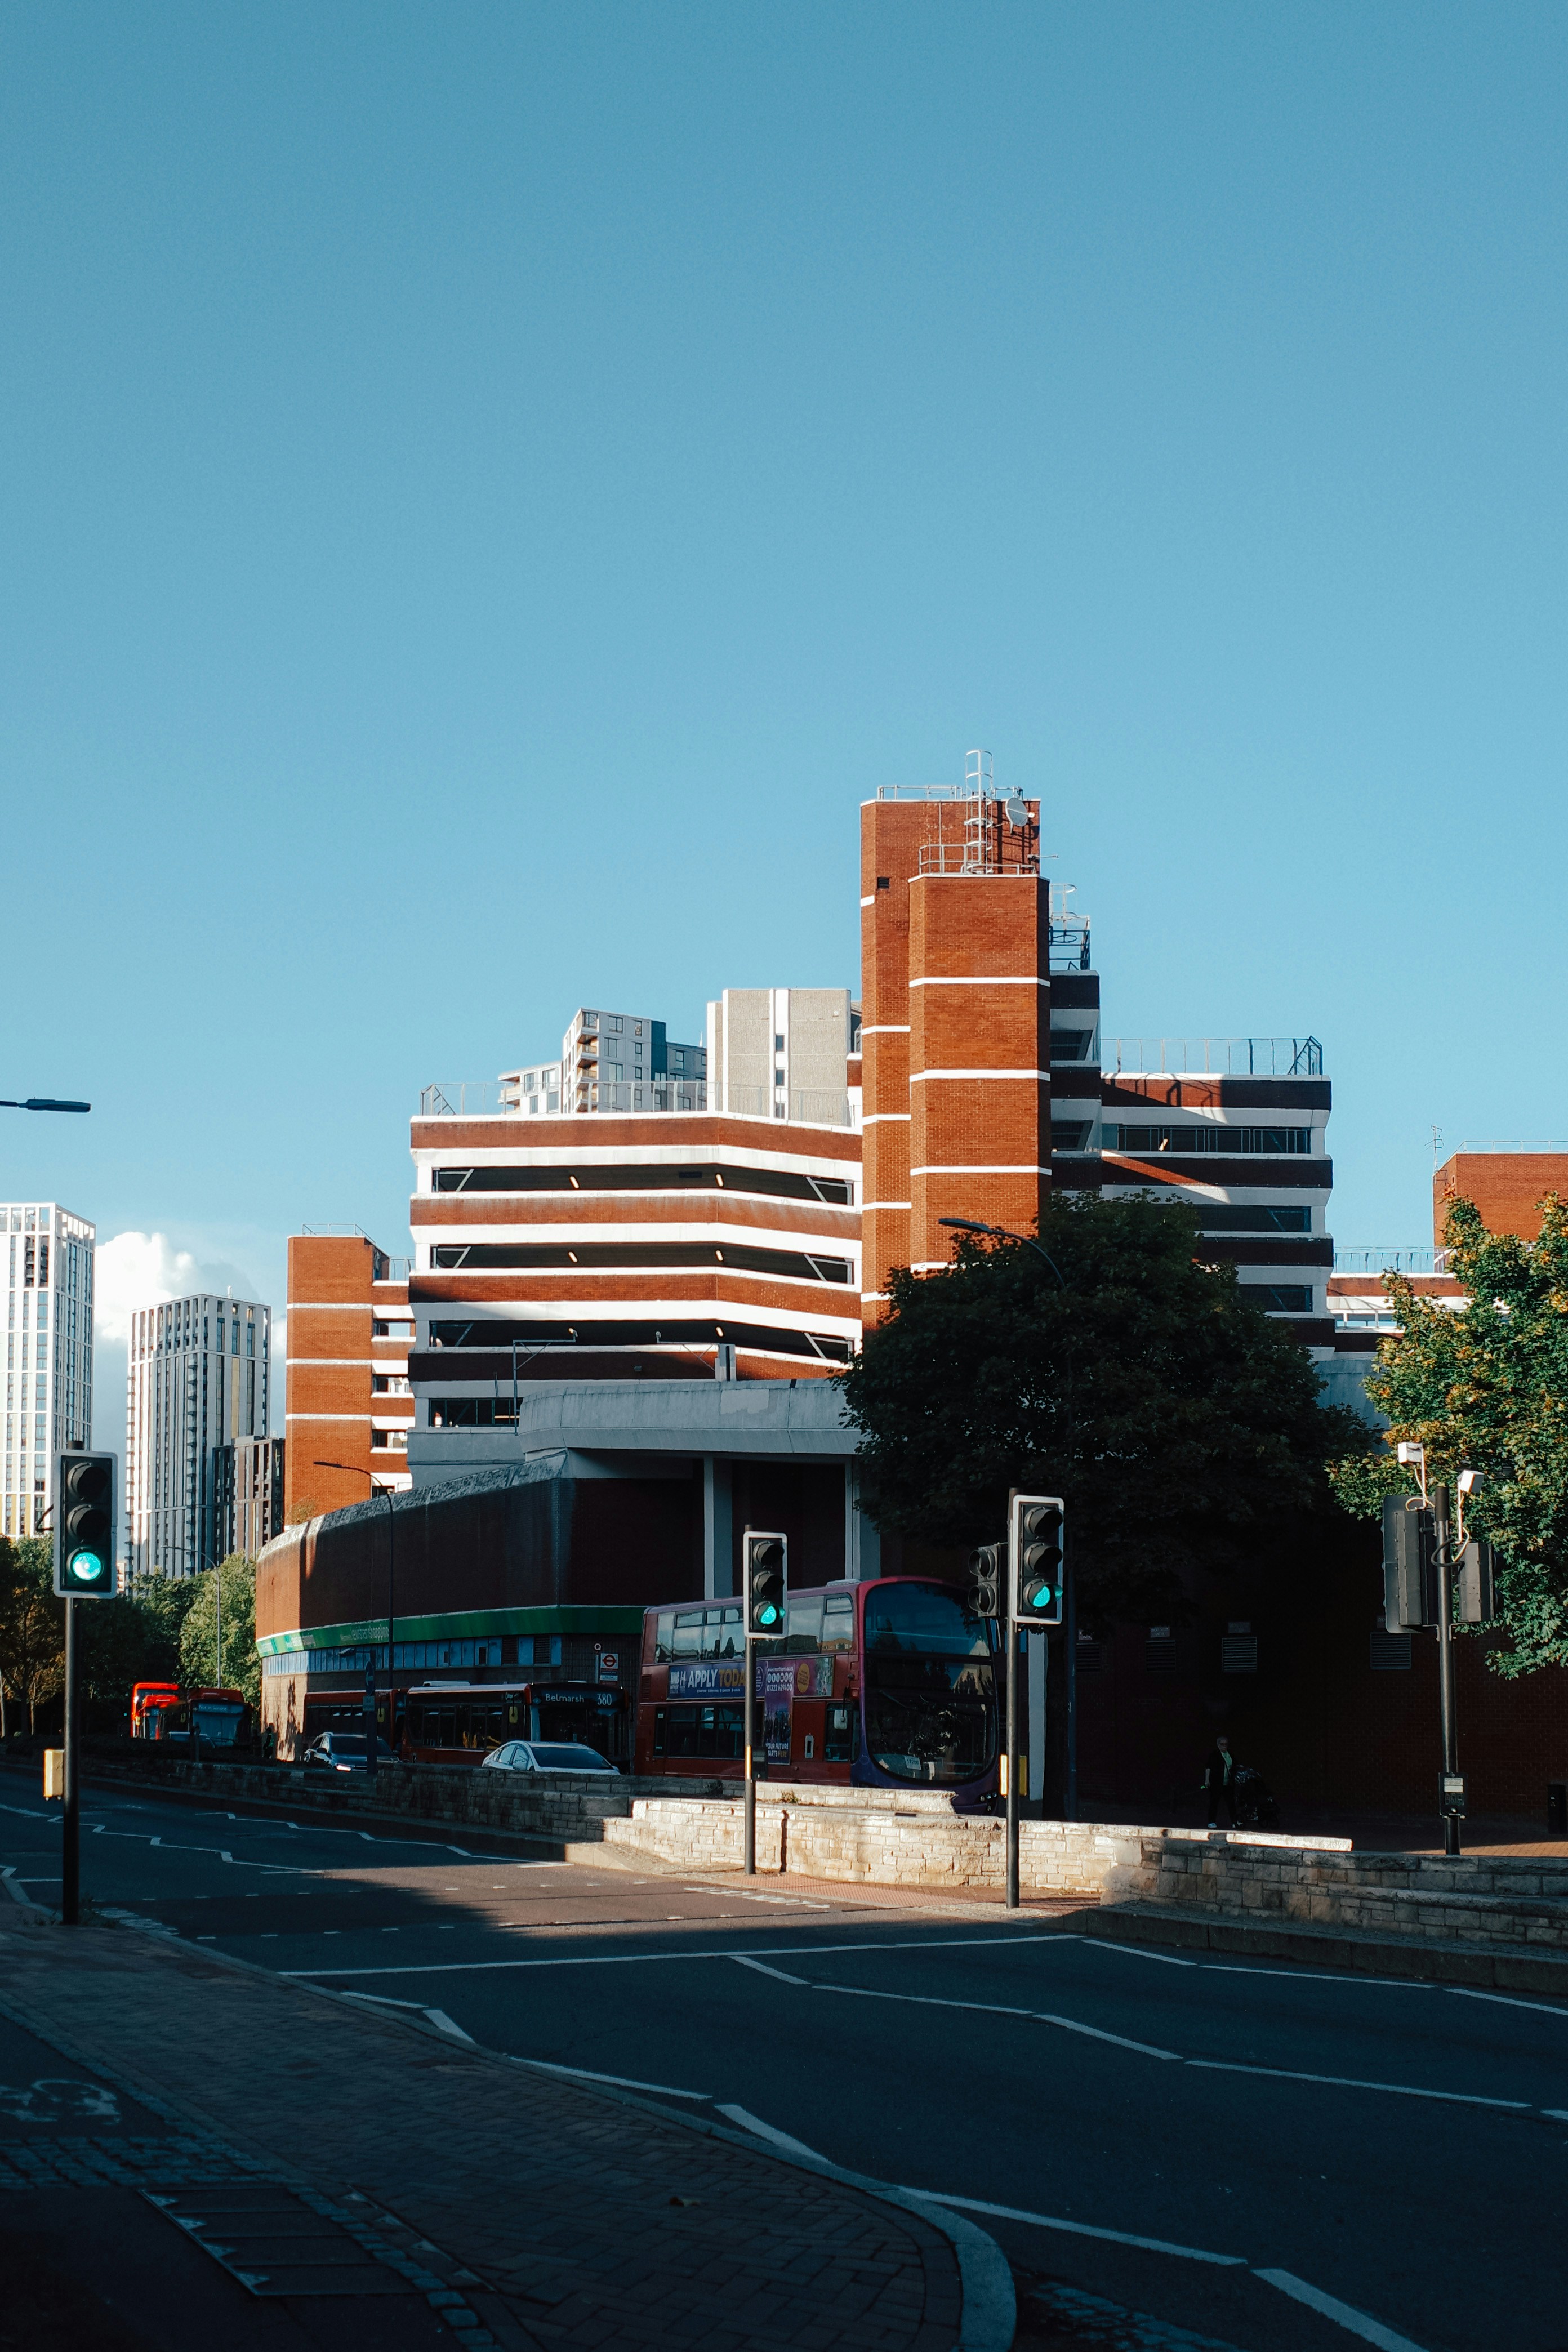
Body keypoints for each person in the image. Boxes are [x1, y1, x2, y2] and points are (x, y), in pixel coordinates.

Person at [1201, 1733, 1235, 1828]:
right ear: (1218, 1745)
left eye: (1226, 1744)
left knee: (1231, 1803)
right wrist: (1207, 1781)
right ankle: (1211, 1821)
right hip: (1216, 1783)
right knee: (1214, 1802)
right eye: (1222, 1744)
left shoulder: (1230, 1754)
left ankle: (1234, 1822)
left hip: (1228, 1783)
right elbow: (1208, 1767)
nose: (1224, 1746)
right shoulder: (1214, 1755)